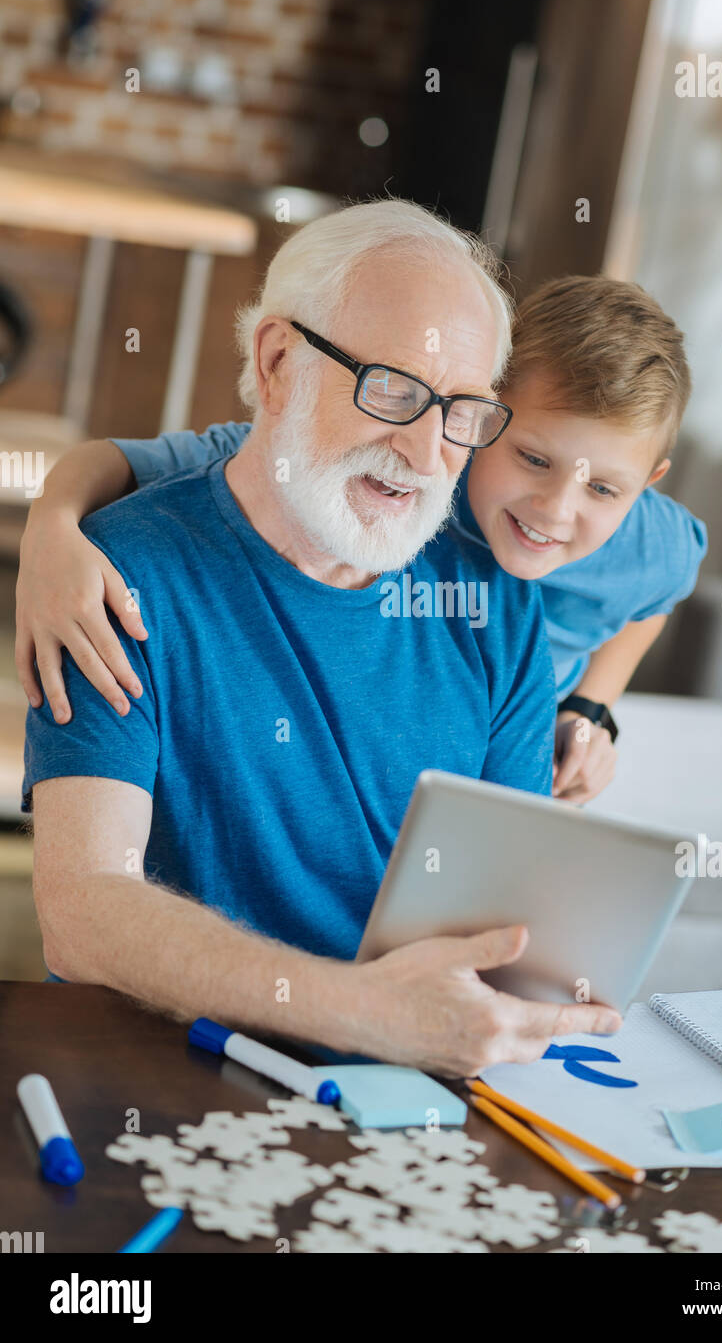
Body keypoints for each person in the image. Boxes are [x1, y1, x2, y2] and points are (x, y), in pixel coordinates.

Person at [21, 198, 622, 1077]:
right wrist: (361, 1013)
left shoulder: (496, 601)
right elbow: (83, 911)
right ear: (275, 363)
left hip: (410, 1089)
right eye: (392, 390)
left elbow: (502, 926)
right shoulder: (118, 574)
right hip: (165, 1081)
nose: (425, 452)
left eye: (461, 410)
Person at [18, 277, 707, 806]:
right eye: (530, 458)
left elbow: (659, 594)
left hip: (498, 758)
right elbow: (130, 460)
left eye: (603, 491)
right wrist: (50, 529)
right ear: (478, 407)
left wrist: (592, 704)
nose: (554, 510)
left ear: (646, 484)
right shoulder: (402, 470)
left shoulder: (648, 541)